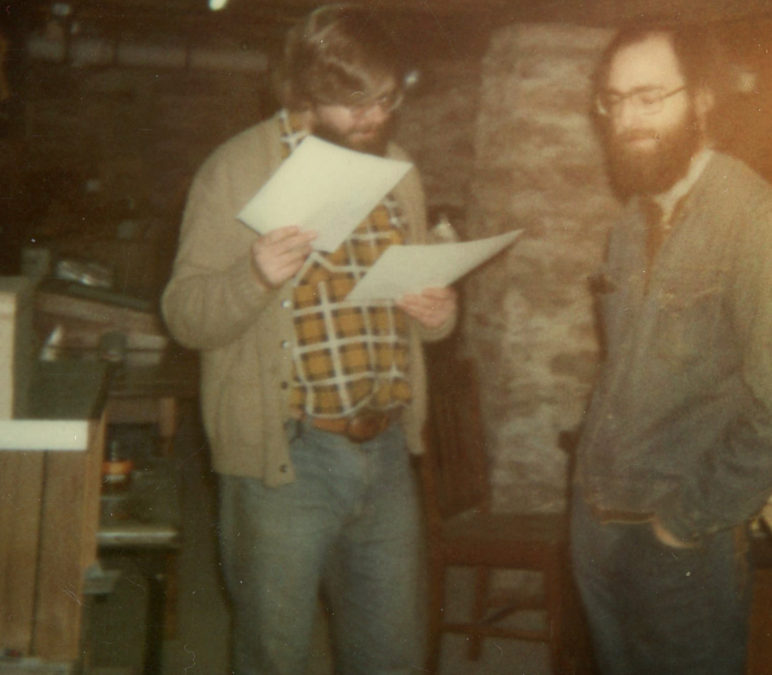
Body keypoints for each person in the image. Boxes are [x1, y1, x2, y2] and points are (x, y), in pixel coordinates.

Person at [161, 5, 457, 673]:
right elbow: (183, 314)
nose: (373, 120)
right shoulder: (236, 169)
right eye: (353, 103)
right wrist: (254, 275)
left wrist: (436, 310)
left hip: (385, 455)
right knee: (275, 656)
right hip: (286, 460)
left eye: (385, 99)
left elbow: (427, 324)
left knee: (391, 658)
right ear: (302, 91)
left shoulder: (399, 170)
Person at [571, 22, 772, 674]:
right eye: (614, 99)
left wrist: (687, 520)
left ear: (703, 101)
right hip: (597, 526)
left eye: (649, 97)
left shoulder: (751, 220)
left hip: (683, 544)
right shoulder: (629, 224)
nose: (627, 118)